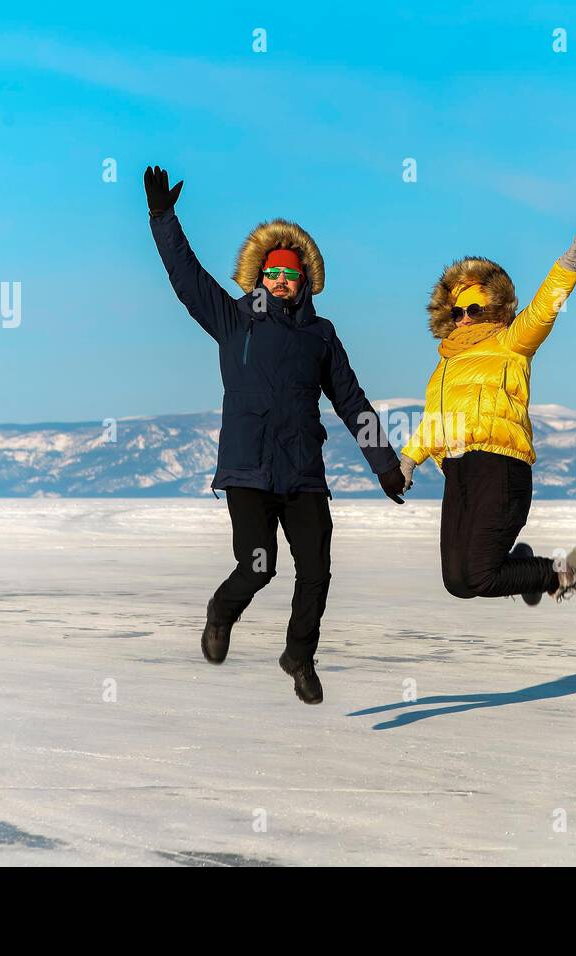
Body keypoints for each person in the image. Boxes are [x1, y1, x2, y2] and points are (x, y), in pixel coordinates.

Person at [145, 166, 407, 704]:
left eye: (290, 275)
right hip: (247, 469)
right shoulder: (233, 320)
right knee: (259, 563)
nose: (281, 282)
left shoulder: (321, 335)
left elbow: (351, 400)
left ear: (305, 280)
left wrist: (384, 463)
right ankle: (222, 611)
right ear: (259, 277)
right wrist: (162, 218)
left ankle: (299, 655)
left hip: (303, 471)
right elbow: (186, 277)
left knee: (316, 570)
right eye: (273, 274)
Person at [399, 217, 576, 607]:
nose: (464, 318)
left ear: (492, 307)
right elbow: (434, 423)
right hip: (458, 472)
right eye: (457, 311)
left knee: (480, 572)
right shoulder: (444, 366)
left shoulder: (510, 341)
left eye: (473, 309)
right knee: (458, 582)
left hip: (499, 466)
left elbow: (544, 311)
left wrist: (572, 261)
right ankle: (522, 566)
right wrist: (409, 460)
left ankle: (569, 570)